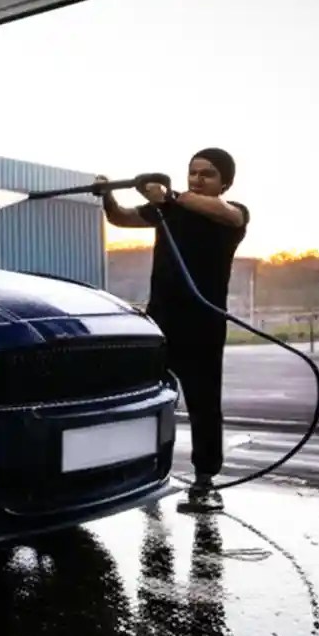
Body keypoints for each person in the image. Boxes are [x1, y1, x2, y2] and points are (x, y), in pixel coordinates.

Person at [95, 148, 250, 510]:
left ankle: (205, 480)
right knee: (148, 400)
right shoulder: (168, 210)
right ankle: (145, 475)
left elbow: (225, 213)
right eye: (192, 172)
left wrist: (171, 196)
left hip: (204, 323)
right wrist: (108, 197)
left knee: (204, 404)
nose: (196, 179)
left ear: (224, 182)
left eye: (207, 174)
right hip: (160, 320)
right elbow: (121, 219)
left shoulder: (233, 214)